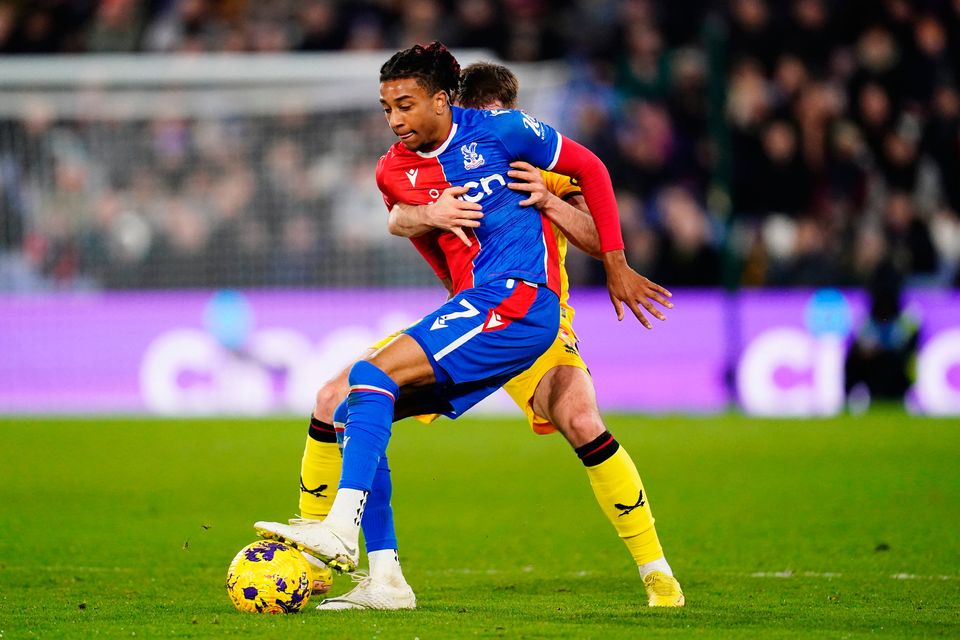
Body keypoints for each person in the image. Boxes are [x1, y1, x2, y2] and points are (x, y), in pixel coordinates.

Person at [255, 42, 668, 610]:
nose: (395, 119)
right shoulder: (405, 165)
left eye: (404, 105)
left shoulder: (528, 152)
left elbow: (595, 203)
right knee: (344, 402)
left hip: (528, 308)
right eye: (388, 109)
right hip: (473, 310)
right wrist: (429, 215)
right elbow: (399, 215)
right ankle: (382, 578)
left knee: (578, 417)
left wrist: (553, 204)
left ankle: (657, 572)